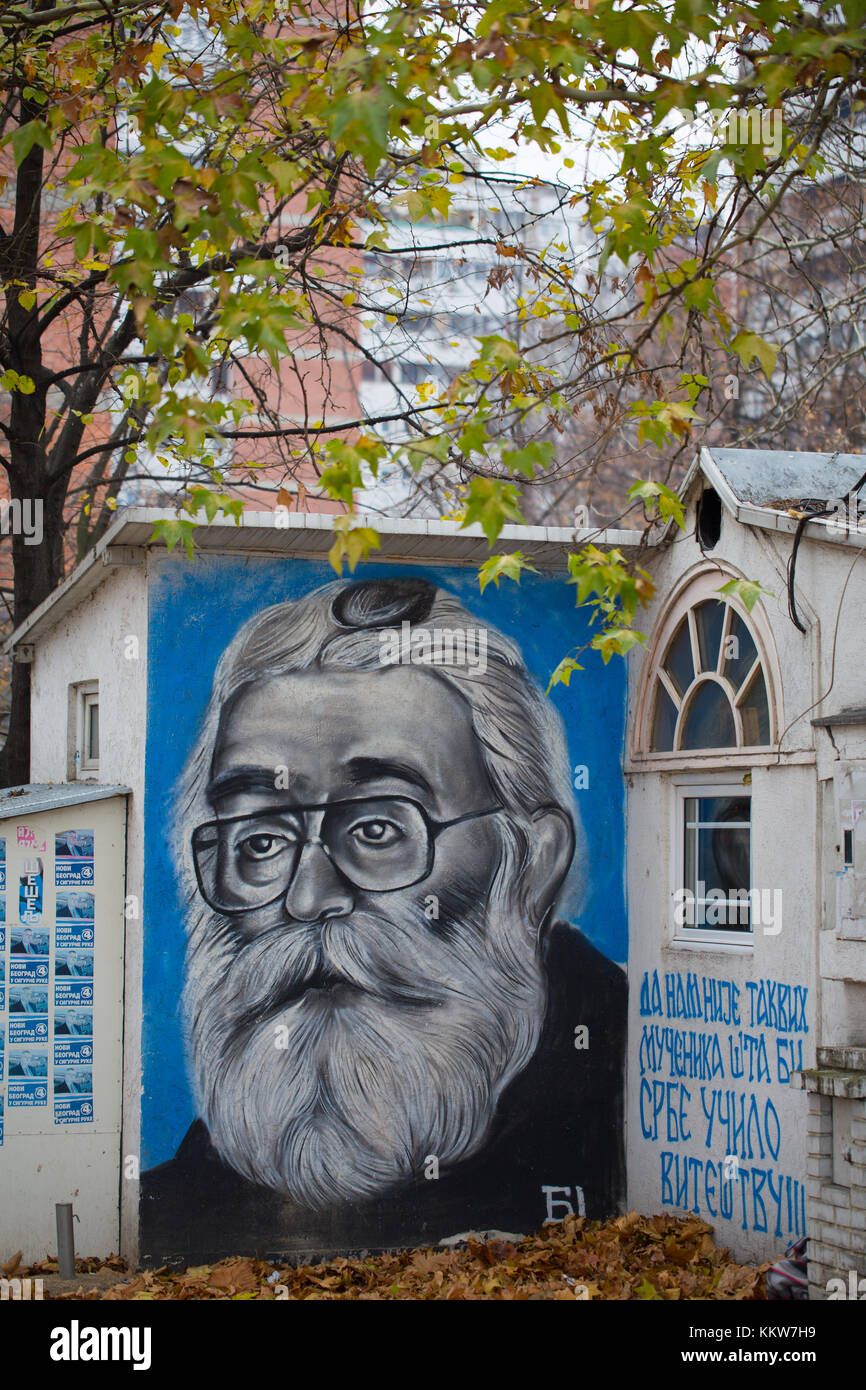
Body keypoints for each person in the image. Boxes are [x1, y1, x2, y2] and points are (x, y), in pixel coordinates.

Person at [141, 577, 626, 1264]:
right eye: (260, 841)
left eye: (376, 828)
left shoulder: (640, 1100)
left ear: (532, 864)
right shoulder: (177, 1215)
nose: (309, 899)